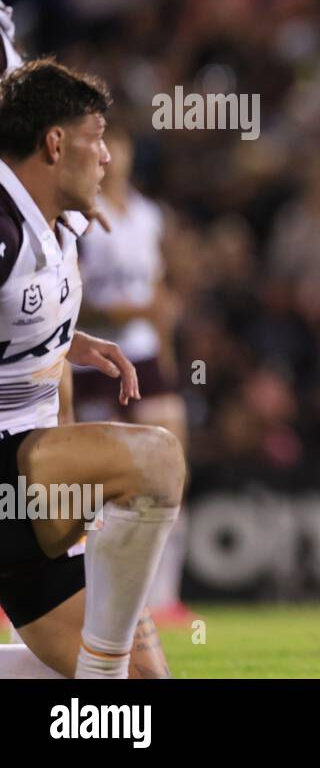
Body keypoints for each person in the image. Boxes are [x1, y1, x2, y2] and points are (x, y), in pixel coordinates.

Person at [0, 59, 182, 678]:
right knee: (157, 459)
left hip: (33, 484)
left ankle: (101, 681)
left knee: (147, 693)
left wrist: (68, 341)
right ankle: (99, 678)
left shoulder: (64, 225)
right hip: (10, 471)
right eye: (96, 137)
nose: (107, 156)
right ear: (55, 143)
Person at [74, 125, 190, 626]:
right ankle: (87, 591)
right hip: (96, 356)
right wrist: (131, 312)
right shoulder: (80, 214)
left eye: (117, 144)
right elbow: (76, 299)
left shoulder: (147, 214)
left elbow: (161, 287)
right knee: (91, 480)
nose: (111, 155)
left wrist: (164, 349)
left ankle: (164, 597)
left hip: (143, 355)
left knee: (170, 469)